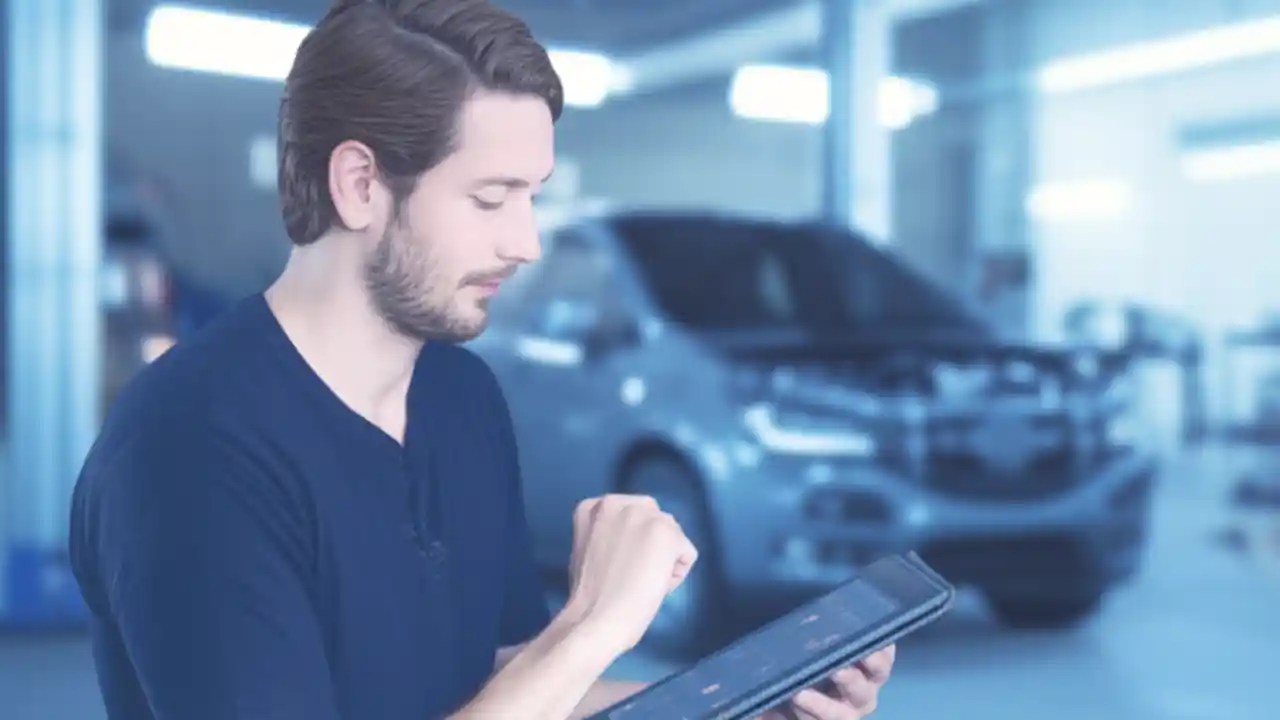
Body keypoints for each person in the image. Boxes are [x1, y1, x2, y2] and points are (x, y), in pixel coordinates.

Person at [68, 1, 895, 718]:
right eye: (490, 199)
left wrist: (739, 705)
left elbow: (515, 686)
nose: (526, 242)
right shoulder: (190, 447)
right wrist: (594, 624)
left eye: (532, 197)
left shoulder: (462, 396)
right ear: (360, 185)